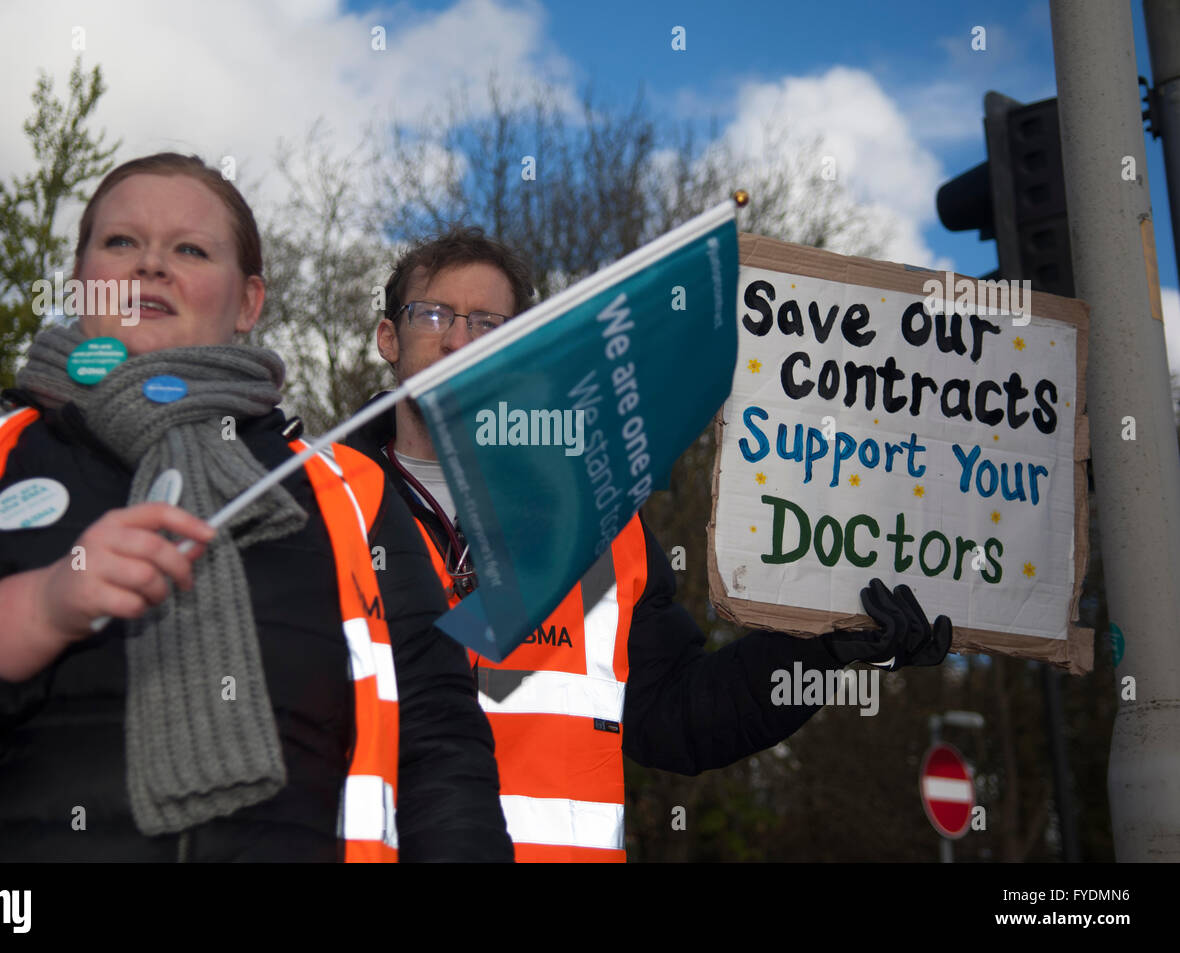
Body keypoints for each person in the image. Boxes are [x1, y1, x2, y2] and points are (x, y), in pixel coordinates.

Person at [0, 155, 512, 862]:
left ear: (248, 303)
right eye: (121, 242)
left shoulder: (349, 488)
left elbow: (441, 749)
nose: (150, 264)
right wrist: (35, 609)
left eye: (189, 249)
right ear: (77, 279)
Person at [348, 226, 954, 862]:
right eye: (434, 313)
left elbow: (683, 719)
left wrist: (822, 645)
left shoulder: (602, 526)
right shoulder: (318, 512)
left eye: (488, 322)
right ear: (389, 336)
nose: (458, 339)